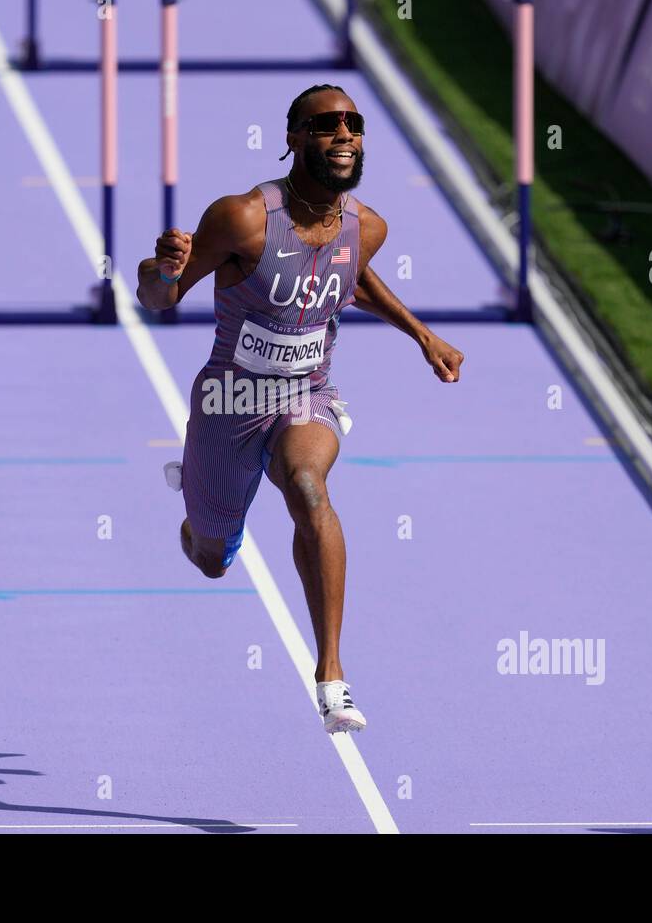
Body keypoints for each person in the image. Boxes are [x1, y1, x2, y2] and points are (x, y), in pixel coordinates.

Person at [137, 84, 464, 732]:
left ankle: (332, 676)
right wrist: (161, 265)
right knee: (210, 559)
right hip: (230, 401)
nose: (343, 133)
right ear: (293, 138)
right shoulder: (243, 218)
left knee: (310, 487)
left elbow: (354, 278)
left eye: (354, 123)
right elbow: (162, 297)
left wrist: (421, 333)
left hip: (306, 394)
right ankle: (196, 514)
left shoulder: (366, 227)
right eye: (325, 124)